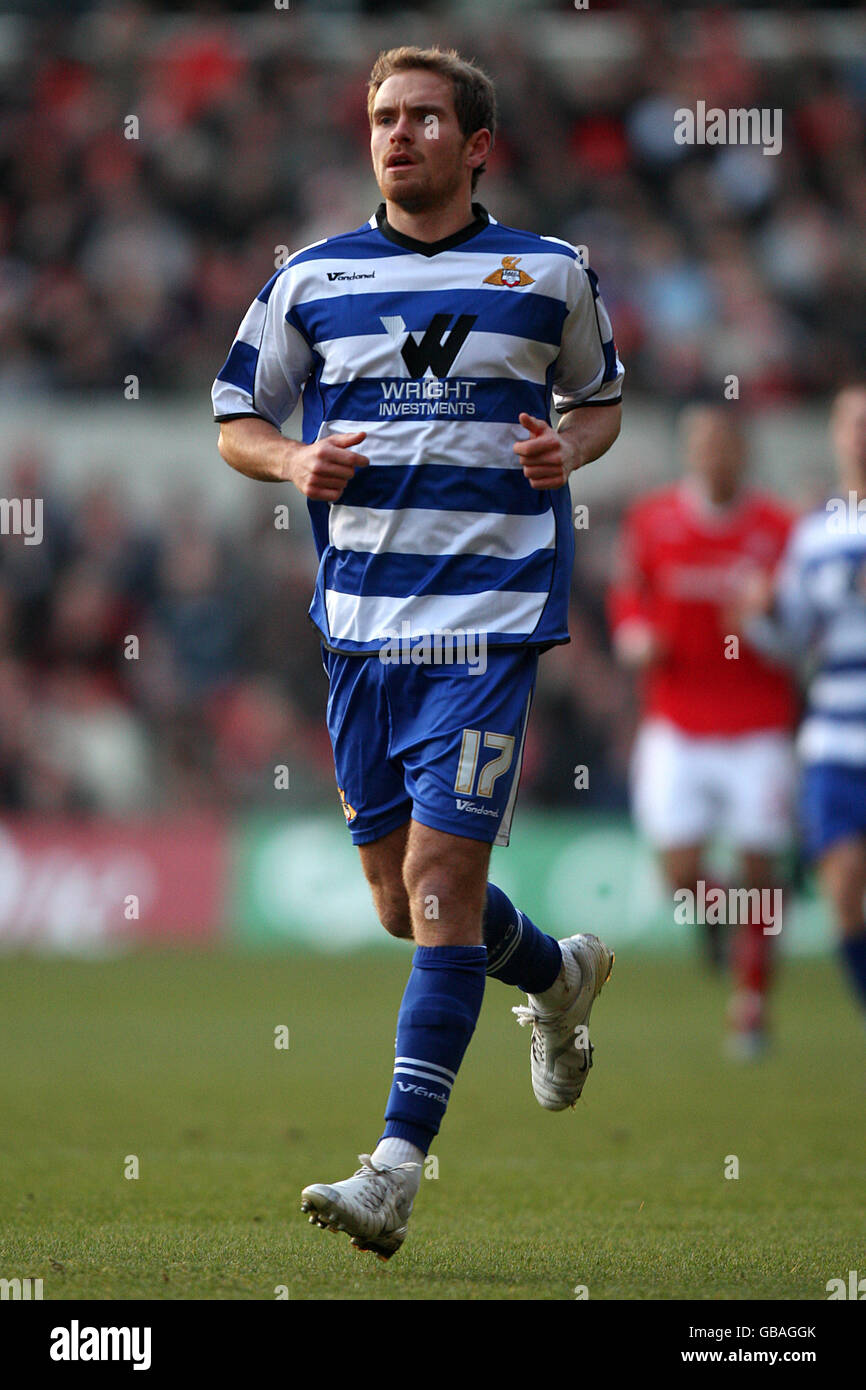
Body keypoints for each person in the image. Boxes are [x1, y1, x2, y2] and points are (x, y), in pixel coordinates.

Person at [212, 46, 623, 1260]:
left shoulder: (550, 274)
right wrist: (290, 460)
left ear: (476, 142)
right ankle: (554, 976)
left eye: (424, 117)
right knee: (401, 905)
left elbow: (597, 398)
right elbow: (235, 415)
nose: (397, 134)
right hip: (358, 636)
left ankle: (392, 1164)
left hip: (486, 630)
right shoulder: (309, 277)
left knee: (439, 888)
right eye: (383, 117)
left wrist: (572, 449)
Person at [608, 405, 798, 1057]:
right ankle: (726, 922)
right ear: (689, 451)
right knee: (681, 876)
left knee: (761, 867)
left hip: (758, 723)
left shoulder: (779, 529)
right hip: (677, 721)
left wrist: (769, 620)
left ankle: (751, 1006)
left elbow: (800, 625)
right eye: (701, 443)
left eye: (724, 443)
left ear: (743, 452)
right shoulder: (653, 521)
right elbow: (629, 594)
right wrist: (633, 634)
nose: (713, 454)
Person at [739, 385, 866, 1034]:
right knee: (844, 889)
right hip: (837, 740)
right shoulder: (815, 534)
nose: (861, 433)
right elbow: (788, 642)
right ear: (837, 434)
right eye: (853, 423)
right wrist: (762, 618)